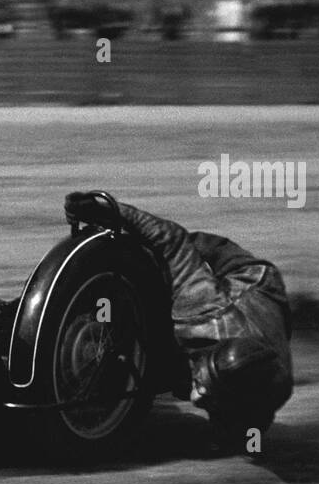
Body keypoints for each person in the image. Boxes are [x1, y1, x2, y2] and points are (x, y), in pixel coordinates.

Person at [64, 192, 293, 449]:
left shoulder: (274, 387)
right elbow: (172, 241)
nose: (195, 398)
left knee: (227, 424)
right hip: (233, 268)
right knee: (143, 261)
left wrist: (240, 435)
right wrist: (105, 211)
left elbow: (250, 425)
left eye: (207, 395)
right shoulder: (203, 311)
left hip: (264, 307)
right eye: (202, 386)